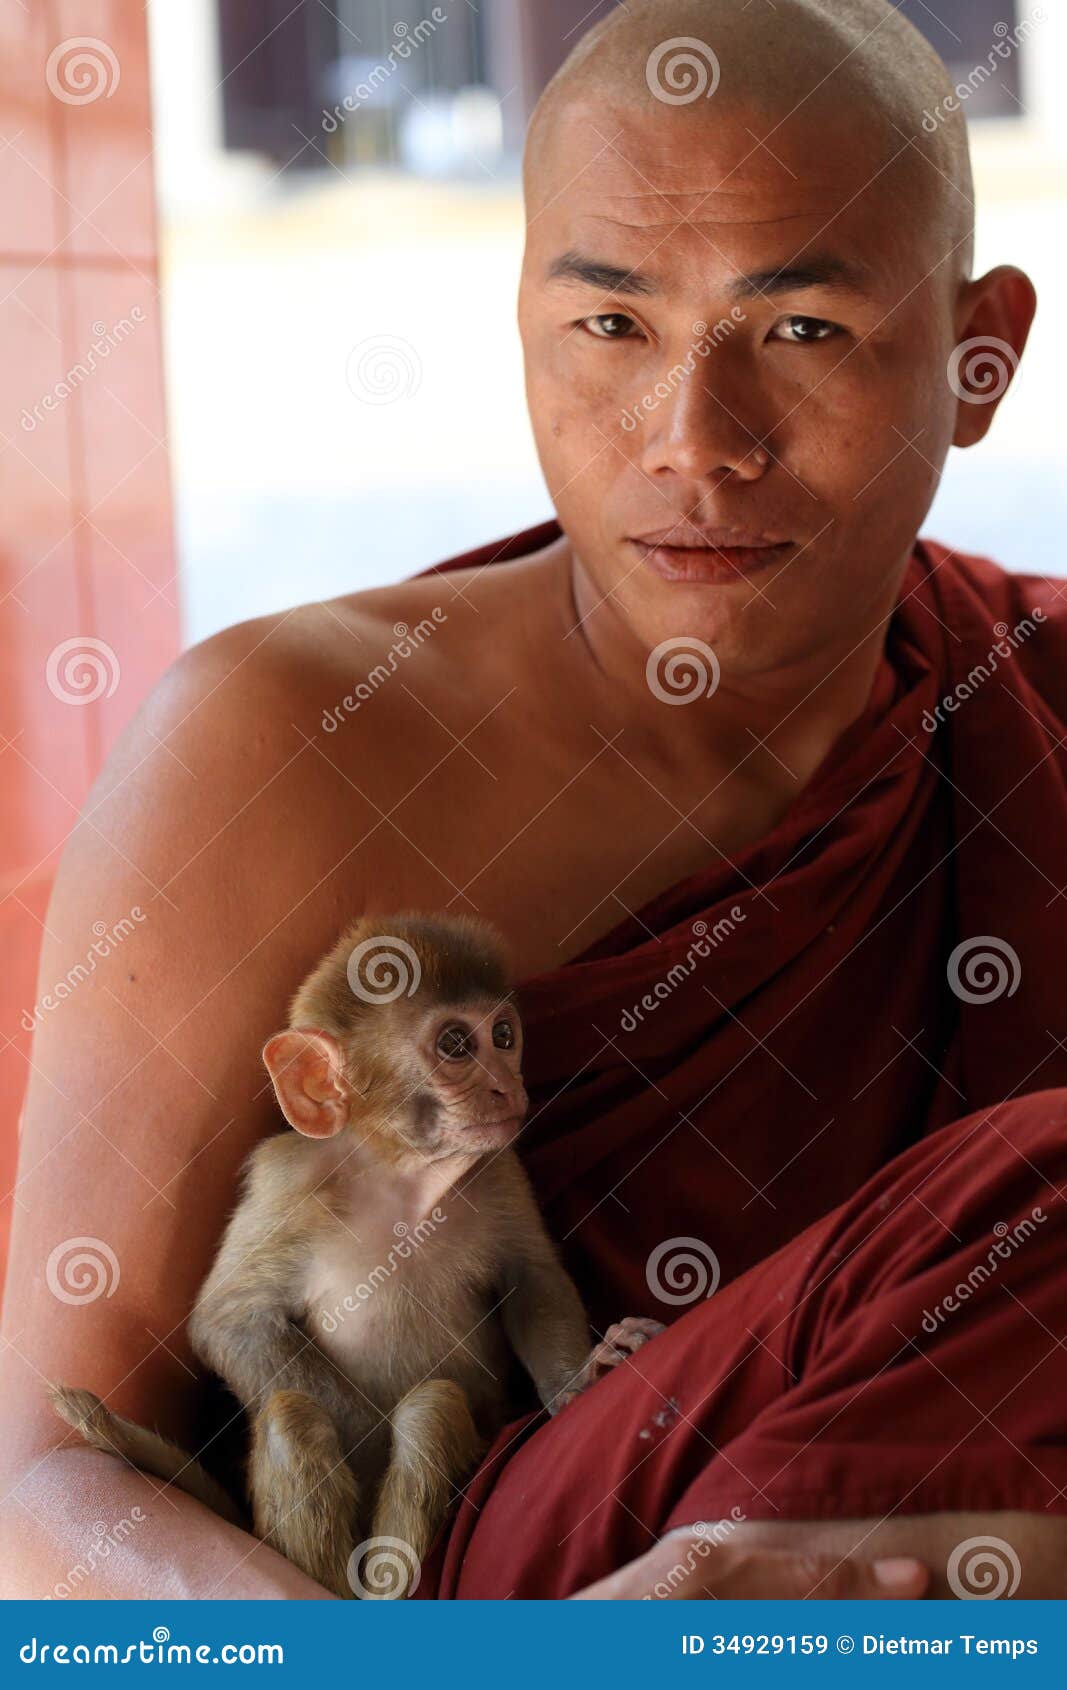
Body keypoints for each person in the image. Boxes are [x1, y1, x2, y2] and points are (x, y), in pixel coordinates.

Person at [2, 0, 1063, 1600]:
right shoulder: (284, 745)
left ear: (981, 354)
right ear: (521, 326)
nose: (695, 443)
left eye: (803, 331)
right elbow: (44, 1482)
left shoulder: (1030, 696)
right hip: (469, 1585)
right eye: (612, 329)